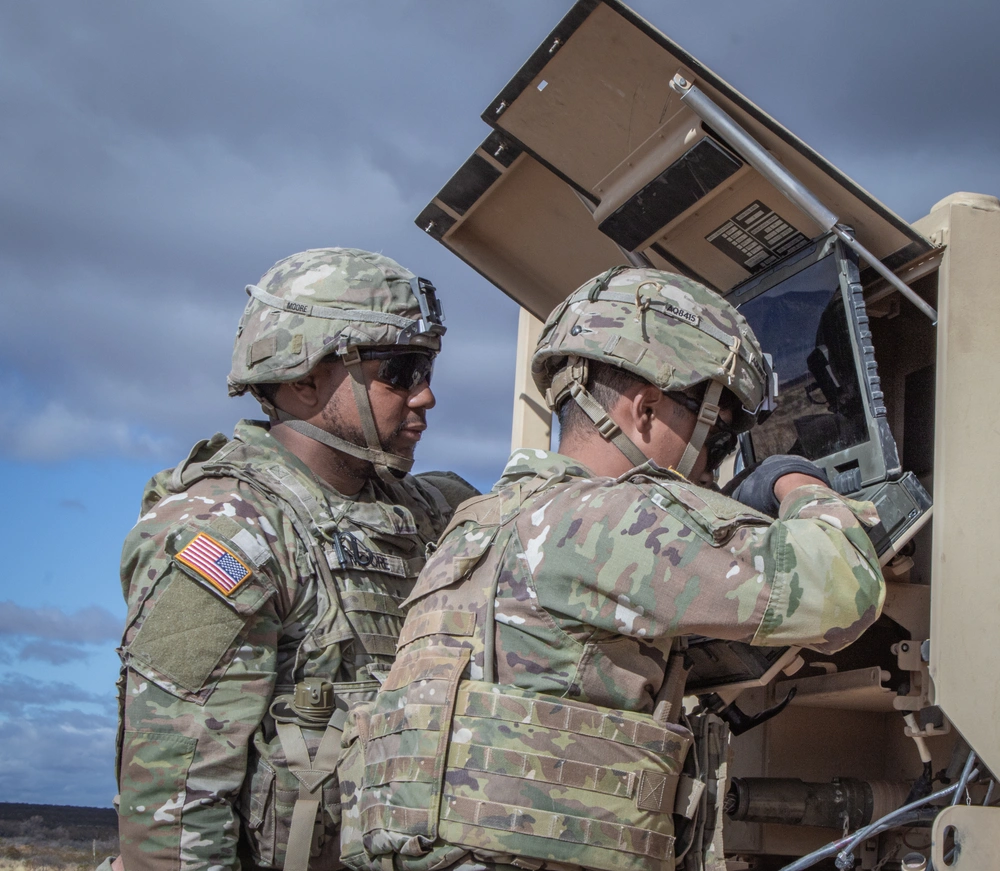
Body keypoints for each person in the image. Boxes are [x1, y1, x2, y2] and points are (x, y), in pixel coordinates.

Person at [338, 266, 885, 871]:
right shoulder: (612, 518)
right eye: (720, 439)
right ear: (645, 410)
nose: (713, 469)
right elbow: (844, 592)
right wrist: (796, 480)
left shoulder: (479, 520)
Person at [111, 248, 478, 871]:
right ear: (303, 378)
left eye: (427, 368)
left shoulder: (435, 516)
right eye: (401, 370)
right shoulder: (227, 533)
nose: (426, 397)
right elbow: (174, 801)